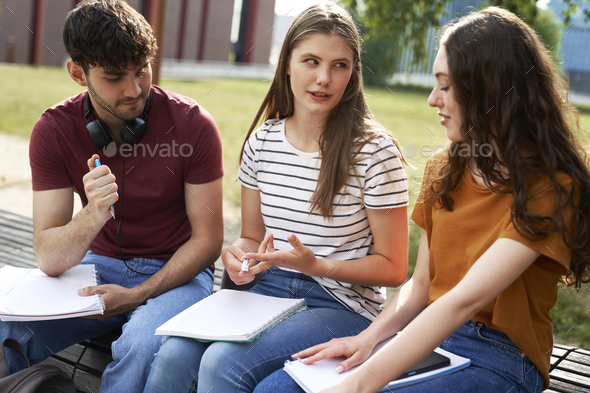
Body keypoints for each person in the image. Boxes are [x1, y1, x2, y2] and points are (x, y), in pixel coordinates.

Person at [253, 6, 590, 393]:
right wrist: (368, 340)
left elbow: (464, 301)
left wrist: (361, 383)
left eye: (446, 85)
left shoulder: (548, 186)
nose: (433, 99)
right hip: (426, 337)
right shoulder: (445, 169)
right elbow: (421, 283)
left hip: (500, 354)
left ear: (489, 88)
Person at [143, 3, 409, 393]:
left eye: (340, 65)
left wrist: (318, 265)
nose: (324, 78)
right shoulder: (263, 140)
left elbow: (394, 267)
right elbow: (252, 236)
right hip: (267, 290)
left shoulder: (374, 152)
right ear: (287, 63)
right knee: (173, 355)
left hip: (340, 306)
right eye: (312, 61)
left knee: (222, 364)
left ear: (353, 73)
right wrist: (238, 259)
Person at [0, 1, 224, 392]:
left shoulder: (193, 125)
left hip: (178, 272)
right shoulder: (53, 130)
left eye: (142, 70)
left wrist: (137, 295)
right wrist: (93, 213)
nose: (134, 89)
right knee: (8, 327)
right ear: (77, 72)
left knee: (143, 347)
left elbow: (209, 242)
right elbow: (49, 257)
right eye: (116, 77)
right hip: (97, 266)